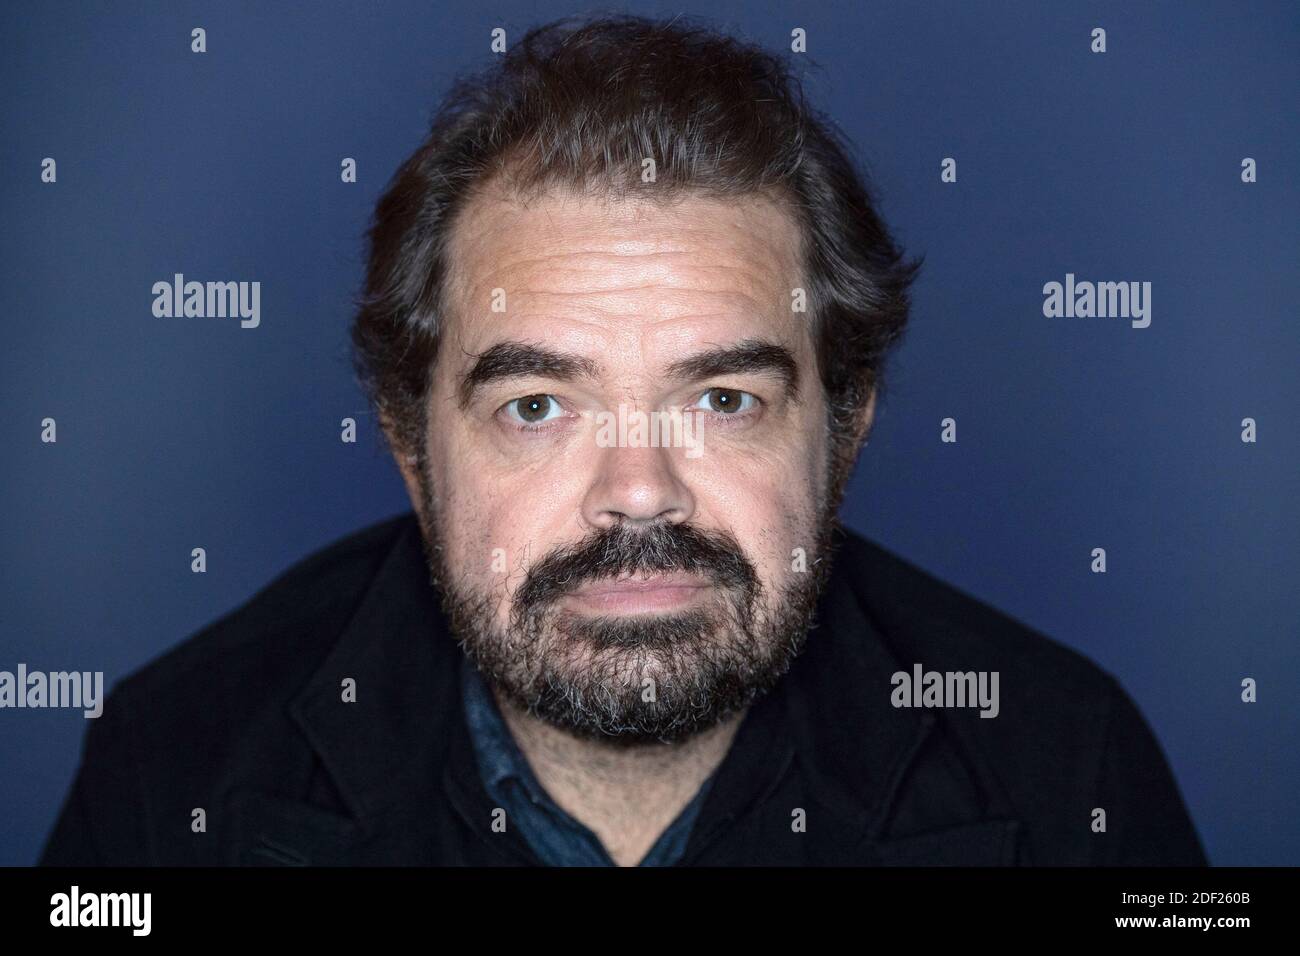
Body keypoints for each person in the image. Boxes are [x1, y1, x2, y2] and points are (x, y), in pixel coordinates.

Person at [41, 14, 1205, 867]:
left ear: (843, 428)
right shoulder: (171, 766)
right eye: (538, 406)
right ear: (410, 443)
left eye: (722, 399)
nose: (639, 492)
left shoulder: (1070, 766)